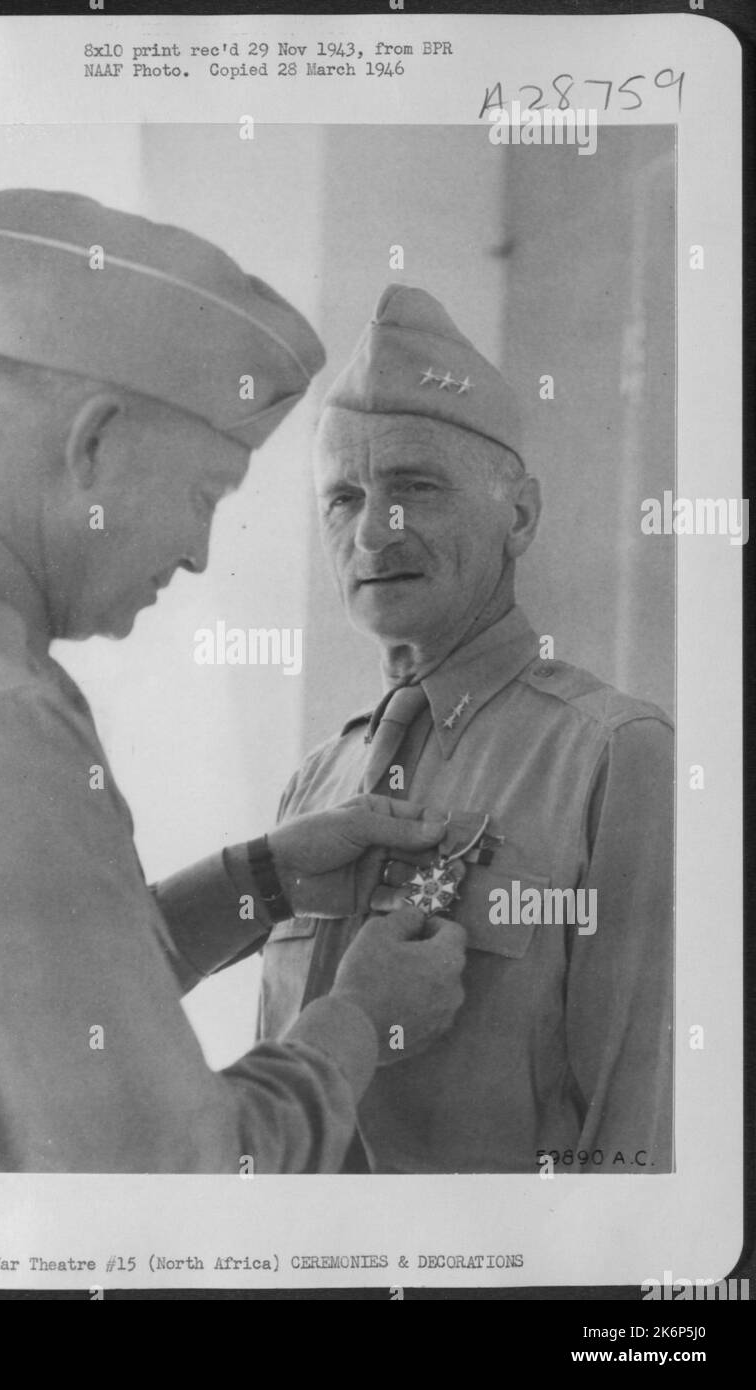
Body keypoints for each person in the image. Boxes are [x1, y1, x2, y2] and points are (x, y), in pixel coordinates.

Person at [0, 192, 468, 1174]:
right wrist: (360, 1017)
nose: (200, 553)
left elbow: (31, 997)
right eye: (201, 496)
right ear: (92, 443)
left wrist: (260, 882)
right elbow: (166, 1184)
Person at [258, 284, 673, 1174]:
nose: (373, 531)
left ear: (517, 514)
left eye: (414, 486)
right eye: (342, 498)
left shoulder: (612, 756)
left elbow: (636, 1138)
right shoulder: (315, 784)